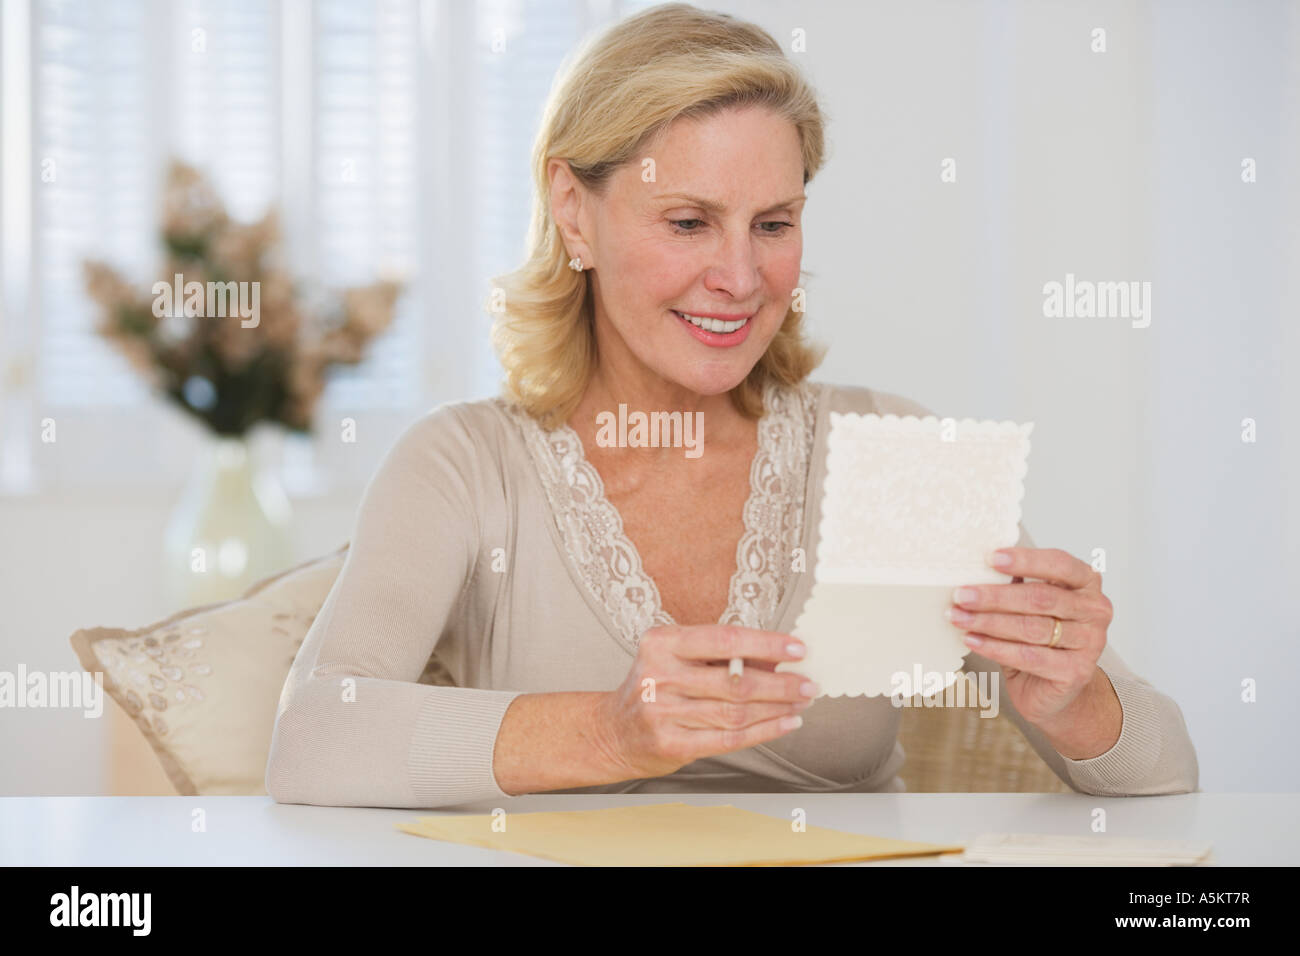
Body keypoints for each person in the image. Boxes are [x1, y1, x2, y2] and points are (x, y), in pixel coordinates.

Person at [265, 3, 1197, 808]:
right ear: (574, 212)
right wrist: (610, 734)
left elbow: (1169, 779)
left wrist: (1073, 699)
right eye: (687, 222)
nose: (742, 278)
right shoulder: (465, 464)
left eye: (774, 225)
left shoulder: (895, 453)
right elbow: (314, 735)